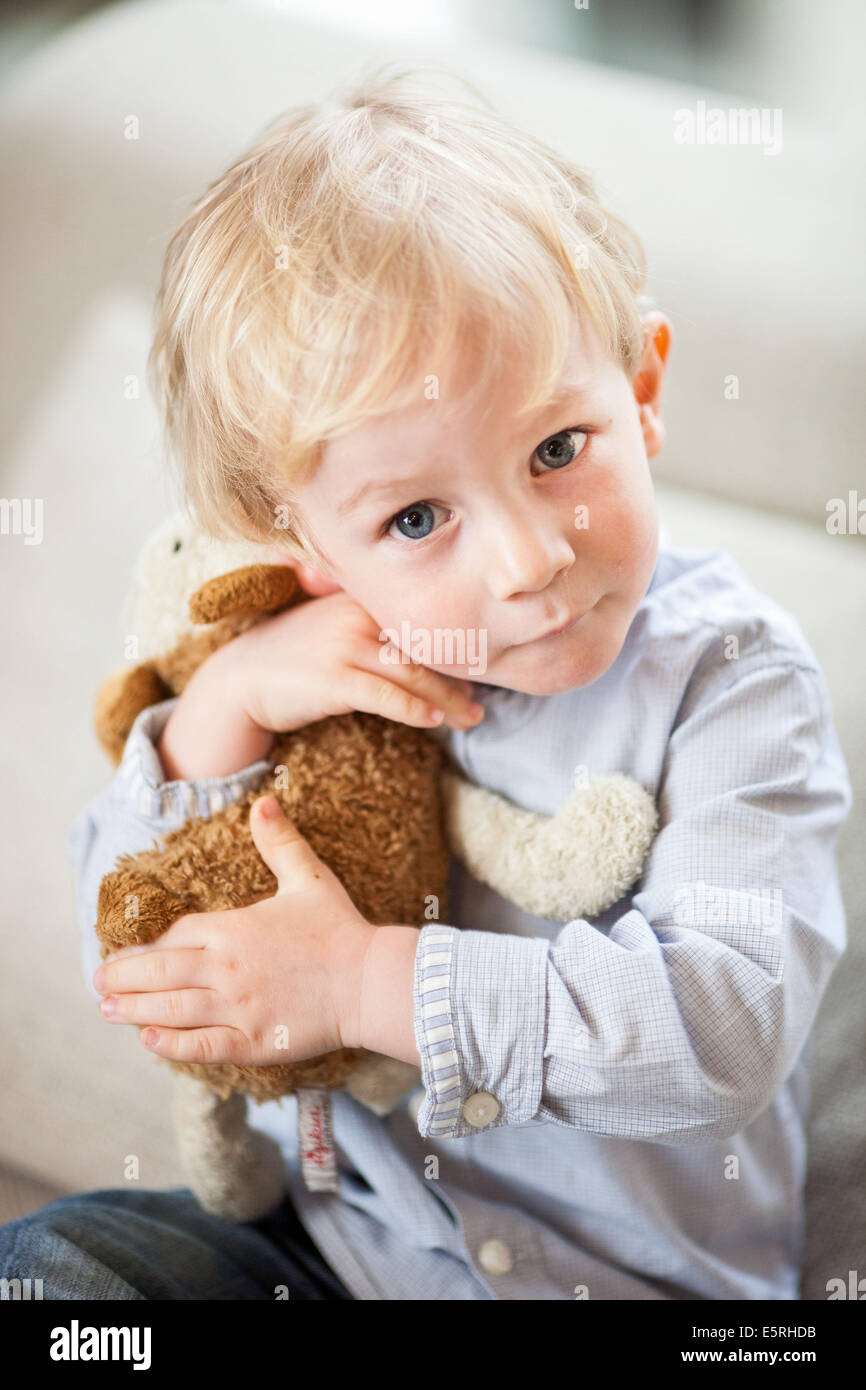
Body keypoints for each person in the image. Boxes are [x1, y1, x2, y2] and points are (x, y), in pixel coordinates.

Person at [0, 63, 851, 1301]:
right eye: (414, 518)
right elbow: (129, 954)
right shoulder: (302, 658)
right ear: (301, 547)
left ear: (645, 388)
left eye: (557, 449)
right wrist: (226, 706)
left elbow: (719, 1029)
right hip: (344, 1250)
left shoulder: (730, 677)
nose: (528, 560)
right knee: (57, 1271)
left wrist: (360, 982)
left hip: (640, 1290)